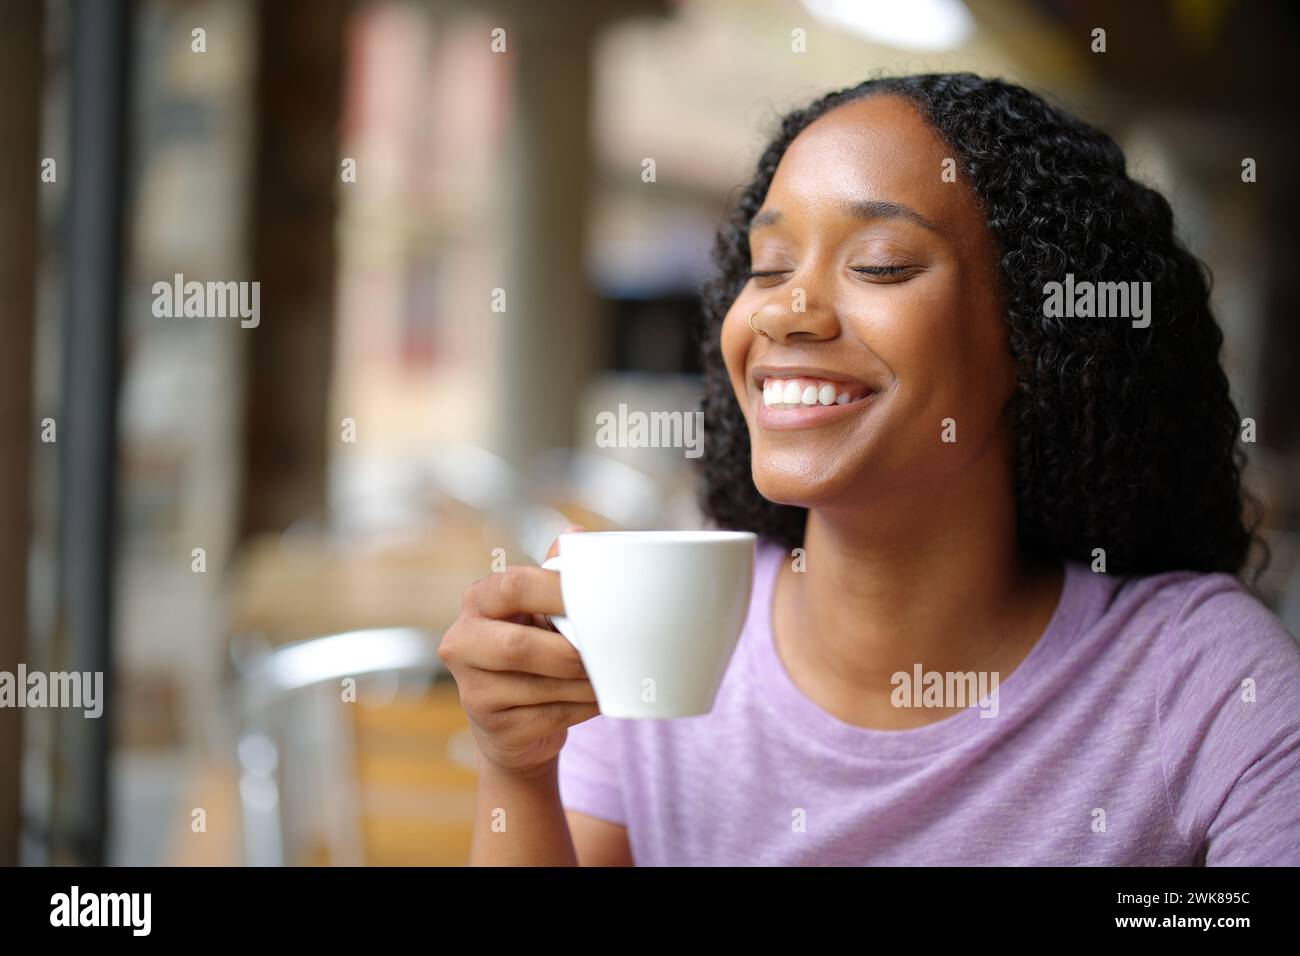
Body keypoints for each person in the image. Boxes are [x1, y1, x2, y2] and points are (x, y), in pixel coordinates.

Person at [438, 73, 1300, 866]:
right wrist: (517, 771)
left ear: (1040, 339)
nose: (788, 310)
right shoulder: (663, 630)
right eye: (767, 267)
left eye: (880, 264)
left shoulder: (1207, 685)